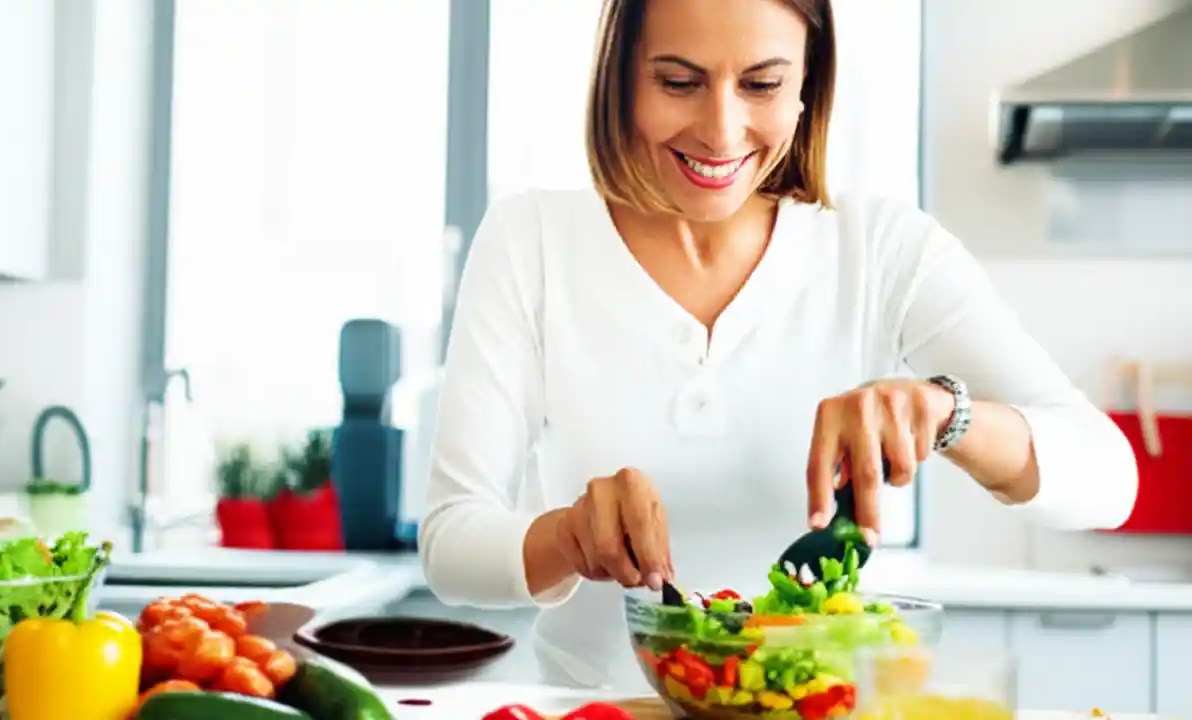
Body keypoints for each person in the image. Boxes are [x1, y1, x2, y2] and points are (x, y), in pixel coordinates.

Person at [418, 0, 1138, 690]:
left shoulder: (883, 249)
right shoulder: (531, 242)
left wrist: (944, 413)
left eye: (762, 84)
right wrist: (571, 535)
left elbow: (1111, 481)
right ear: (621, 76)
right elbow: (451, 544)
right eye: (678, 81)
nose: (720, 131)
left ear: (807, 86)